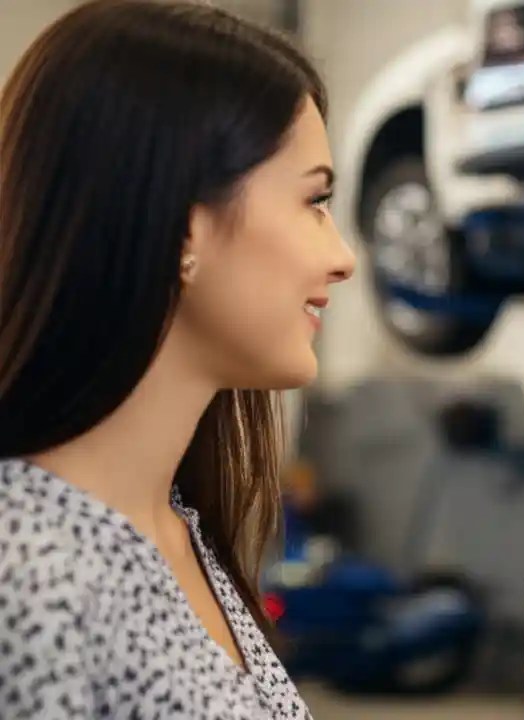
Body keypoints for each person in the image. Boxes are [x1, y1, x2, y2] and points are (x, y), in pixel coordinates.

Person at [0, 1, 356, 717]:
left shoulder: (177, 531)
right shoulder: (28, 573)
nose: (343, 257)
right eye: (314, 200)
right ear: (185, 228)